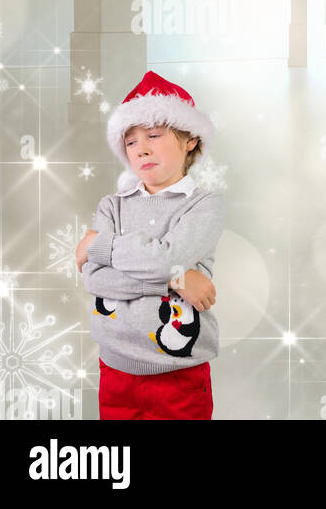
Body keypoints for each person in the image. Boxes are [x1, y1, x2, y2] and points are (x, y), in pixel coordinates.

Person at [76, 70, 225, 419]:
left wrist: (98, 243)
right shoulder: (112, 205)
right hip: (114, 368)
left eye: (154, 135)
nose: (141, 149)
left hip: (178, 373)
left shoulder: (204, 206)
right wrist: (177, 279)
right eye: (130, 142)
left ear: (189, 139)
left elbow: (166, 259)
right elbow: (95, 279)